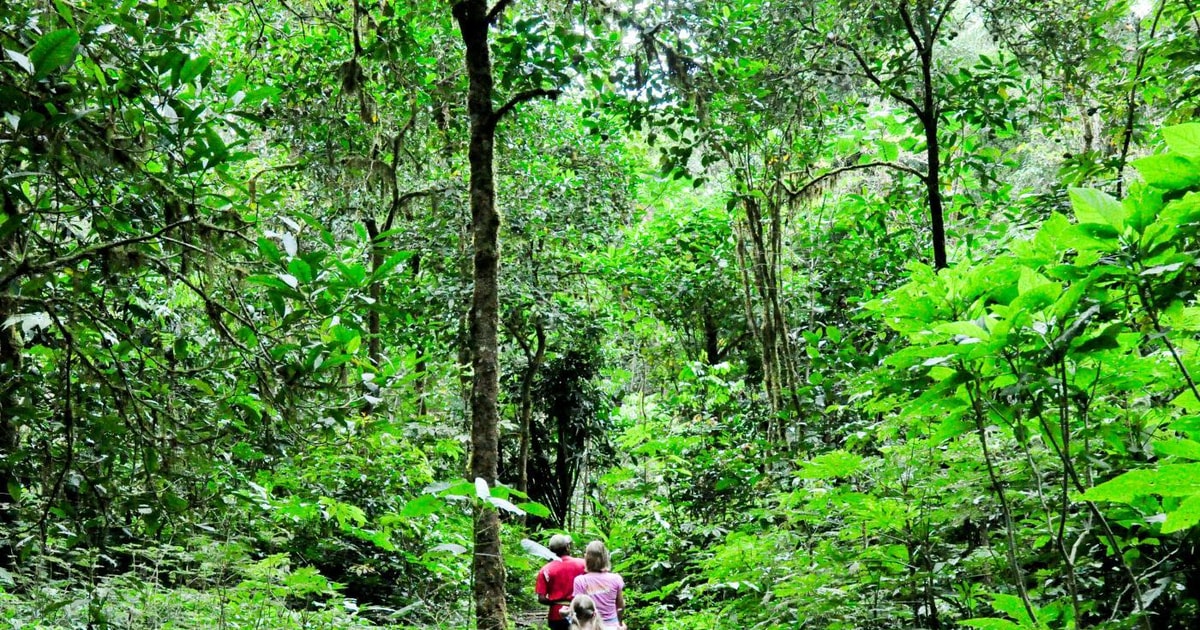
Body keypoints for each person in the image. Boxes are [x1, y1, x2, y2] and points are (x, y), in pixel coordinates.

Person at [536, 534, 587, 630]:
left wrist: (557, 602)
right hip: (580, 612)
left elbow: (541, 598)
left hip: (556, 616)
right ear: (567, 547)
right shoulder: (583, 564)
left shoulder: (545, 570)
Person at [572, 540, 626, 630]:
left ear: (587, 558)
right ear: (605, 558)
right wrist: (620, 623)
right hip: (612, 625)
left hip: (590, 626)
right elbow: (620, 606)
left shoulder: (580, 581)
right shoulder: (616, 579)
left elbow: (578, 609)